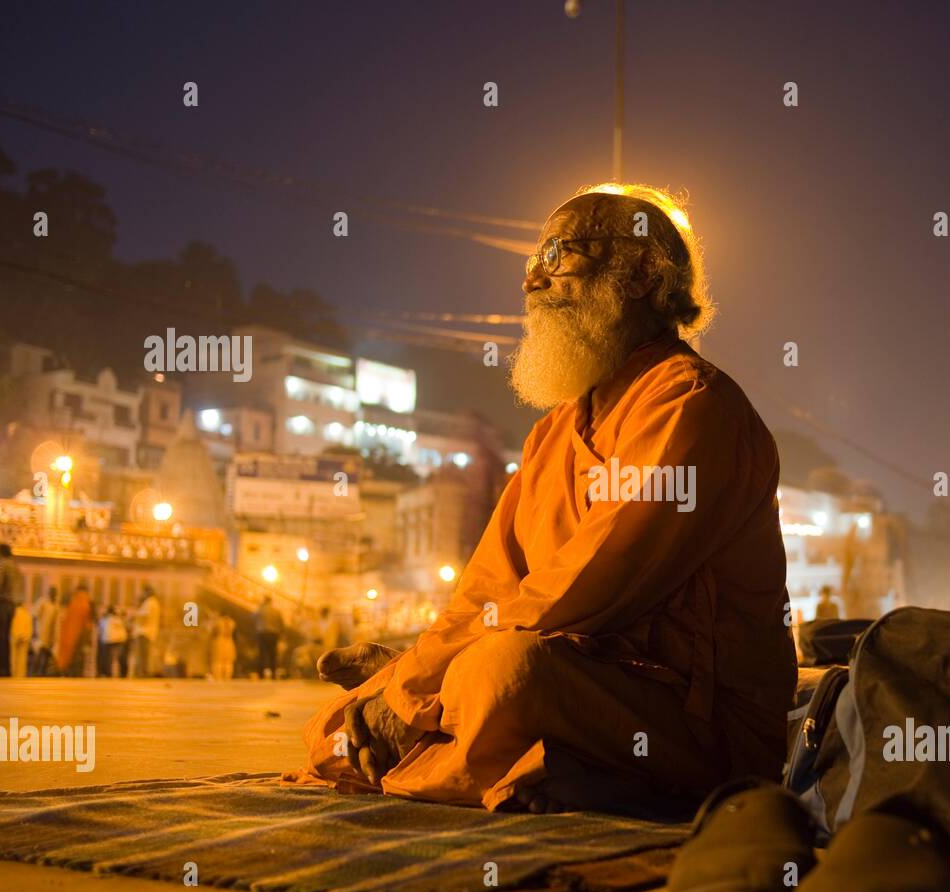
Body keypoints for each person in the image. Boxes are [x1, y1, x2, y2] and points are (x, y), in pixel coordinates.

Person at [296, 183, 796, 815]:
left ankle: (503, 757)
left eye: (559, 254)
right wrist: (404, 679)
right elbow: (484, 591)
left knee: (503, 675)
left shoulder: (692, 404)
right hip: (578, 678)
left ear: (642, 270)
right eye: (532, 263)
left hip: (700, 725)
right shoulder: (552, 433)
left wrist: (418, 685)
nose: (534, 283)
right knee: (346, 715)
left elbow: (586, 586)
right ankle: (531, 768)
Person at [0, 543, 23, 676]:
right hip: (11, 606)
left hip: (0, 605)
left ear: (1, 552)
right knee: (5, 638)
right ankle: (6, 669)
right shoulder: (15, 566)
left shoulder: (2, 564)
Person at [55, 581, 95, 678]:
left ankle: (67, 673)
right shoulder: (88, 602)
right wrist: (88, 640)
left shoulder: (72, 602)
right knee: (79, 660)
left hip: (69, 637)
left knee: (70, 659)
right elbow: (88, 623)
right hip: (81, 636)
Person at [132, 584, 161, 678]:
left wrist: (134, 615)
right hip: (148, 632)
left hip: (144, 632)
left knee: (142, 655)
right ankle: (143, 672)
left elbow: (145, 616)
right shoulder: (154, 602)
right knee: (145, 654)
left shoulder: (150, 602)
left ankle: (142, 673)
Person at [31, 586, 60, 676]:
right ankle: (33, 675)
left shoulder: (55, 606)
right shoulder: (42, 602)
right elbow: (34, 616)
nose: (54, 595)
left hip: (49, 637)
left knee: (45, 657)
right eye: (52, 593)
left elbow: (55, 623)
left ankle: (41, 675)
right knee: (38, 656)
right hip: (40, 633)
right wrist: (34, 632)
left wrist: (54, 638)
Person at [254, 596, 284, 679]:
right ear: (271, 601)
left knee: (262, 654)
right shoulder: (276, 611)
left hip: (262, 634)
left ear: (264, 601)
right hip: (273, 634)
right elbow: (281, 623)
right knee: (273, 654)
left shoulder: (260, 610)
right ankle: (273, 674)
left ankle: (261, 674)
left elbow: (253, 617)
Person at [97, 605, 128, 678]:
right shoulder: (118, 618)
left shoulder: (104, 619)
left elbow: (100, 630)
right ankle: (123, 674)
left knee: (108, 658)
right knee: (120, 658)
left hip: (108, 640)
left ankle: (108, 673)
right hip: (120, 640)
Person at [210, 613, 237, 681]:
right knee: (228, 662)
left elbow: (213, 633)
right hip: (229, 642)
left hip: (219, 642)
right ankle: (227, 677)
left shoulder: (217, 622)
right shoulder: (232, 623)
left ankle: (218, 677)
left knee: (217, 661)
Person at [9, 601, 32, 677]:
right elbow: (29, 627)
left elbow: (11, 625)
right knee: (22, 658)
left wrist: (15, 636)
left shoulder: (14, 613)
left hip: (15, 636)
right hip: (24, 637)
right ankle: (21, 675)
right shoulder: (27, 614)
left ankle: (14, 674)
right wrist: (27, 637)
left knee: (14, 658)